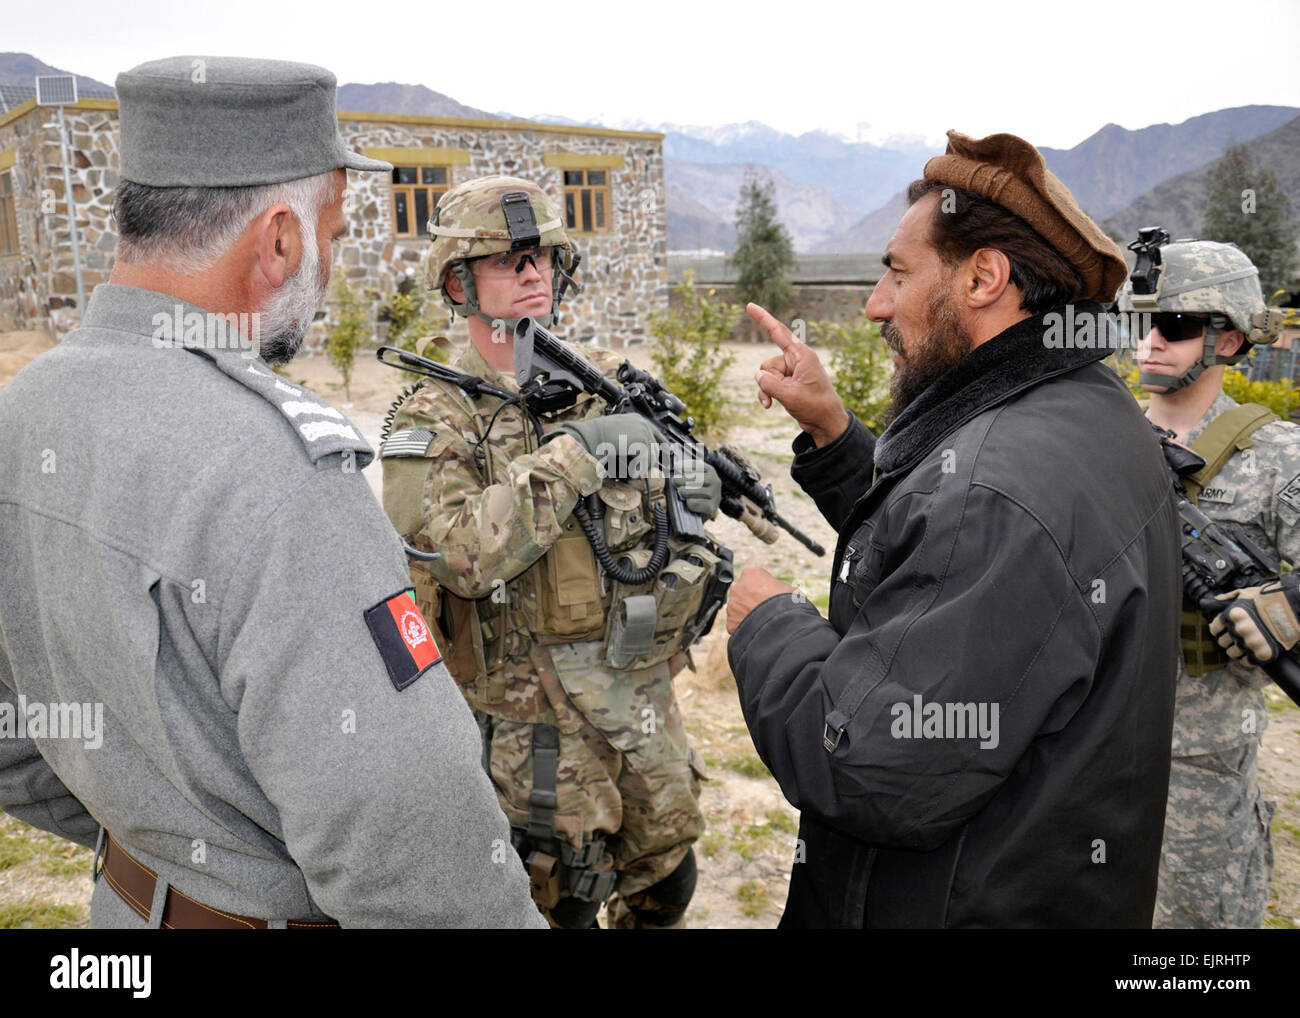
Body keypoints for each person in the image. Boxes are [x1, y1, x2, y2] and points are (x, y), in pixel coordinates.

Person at [0, 56, 545, 929]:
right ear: (281, 240)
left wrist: (167, 844)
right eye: (334, 236)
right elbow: (423, 865)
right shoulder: (280, 474)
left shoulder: (26, 411)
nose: (329, 268)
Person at [724, 131, 1181, 928]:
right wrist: (835, 436)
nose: (876, 303)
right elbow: (939, 561)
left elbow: (865, 768)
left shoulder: (997, 491)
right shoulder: (1089, 411)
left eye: (899, 273)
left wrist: (769, 623)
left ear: (982, 278)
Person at [380, 175, 725, 929]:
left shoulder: (602, 389)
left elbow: (658, 522)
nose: (533, 273)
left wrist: (685, 485)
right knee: (561, 897)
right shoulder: (435, 415)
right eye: (510, 260)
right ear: (459, 284)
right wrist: (576, 454)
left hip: (636, 694)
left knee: (669, 881)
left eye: (542, 257)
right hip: (529, 719)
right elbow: (454, 557)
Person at [1116, 234, 1298, 928]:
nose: (1152, 342)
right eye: (1145, 323)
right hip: (1094, 748)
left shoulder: (1277, 456)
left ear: (1228, 341)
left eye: (1177, 325)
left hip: (1201, 763)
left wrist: (1287, 605)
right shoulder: (1102, 442)